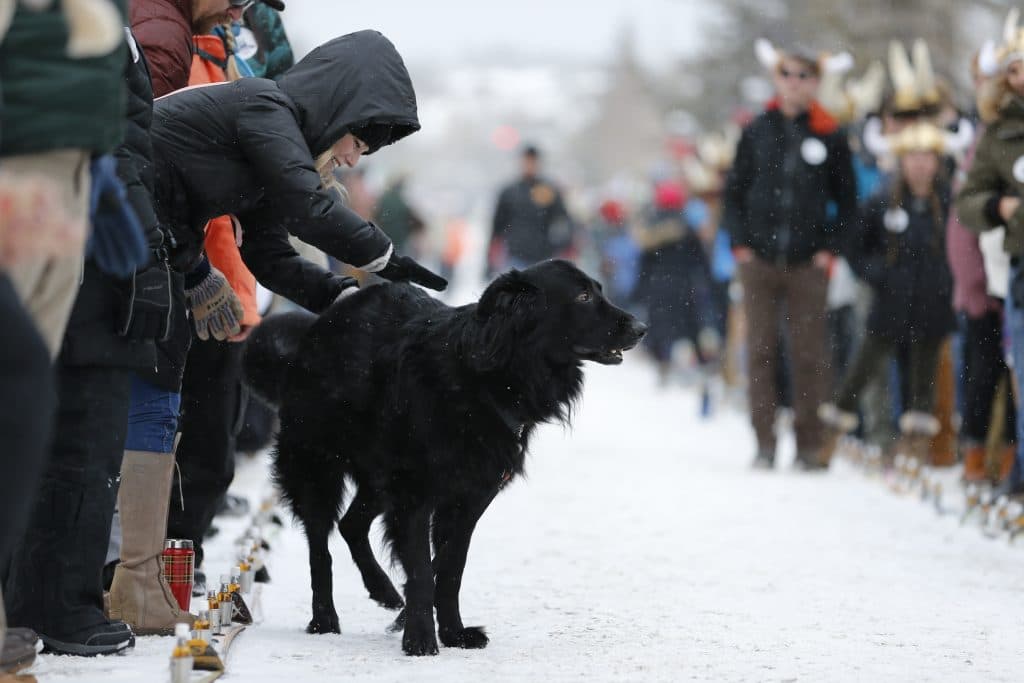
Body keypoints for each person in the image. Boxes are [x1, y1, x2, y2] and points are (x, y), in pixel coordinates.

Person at [2, 0, 159, 656]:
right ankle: (49, 597)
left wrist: (97, 171)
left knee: (27, 402)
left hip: (67, 183)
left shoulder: (106, 17)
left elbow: (112, 102)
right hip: (22, 174)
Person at [723, 39, 857, 470]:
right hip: (758, 261)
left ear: (817, 82)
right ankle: (764, 444)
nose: (795, 83)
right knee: (760, 351)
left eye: (804, 76)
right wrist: (740, 245)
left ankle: (809, 447)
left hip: (807, 265)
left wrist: (829, 249)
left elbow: (848, 200)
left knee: (809, 355)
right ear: (776, 79)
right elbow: (734, 193)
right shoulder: (756, 129)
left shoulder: (831, 134)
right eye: (787, 74)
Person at [819, 122, 959, 466]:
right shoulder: (882, 200)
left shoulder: (950, 201)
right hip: (890, 303)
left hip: (933, 303)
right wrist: (877, 273)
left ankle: (915, 448)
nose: (921, 164)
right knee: (862, 368)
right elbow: (854, 245)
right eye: (913, 156)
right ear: (901, 159)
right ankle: (828, 437)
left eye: (928, 156)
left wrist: (946, 281)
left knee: (923, 379)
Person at [955, 13, 1024, 500]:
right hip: (1016, 266)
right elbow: (967, 204)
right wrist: (997, 205)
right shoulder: (998, 135)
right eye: (1018, 69)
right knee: (1013, 374)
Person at [489, 144, 576, 274]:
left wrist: (564, 244)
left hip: (544, 257)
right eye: (526, 161)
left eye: (533, 161)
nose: (529, 165)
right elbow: (497, 225)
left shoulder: (549, 190)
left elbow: (563, 219)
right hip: (515, 256)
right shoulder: (509, 191)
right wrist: (490, 257)